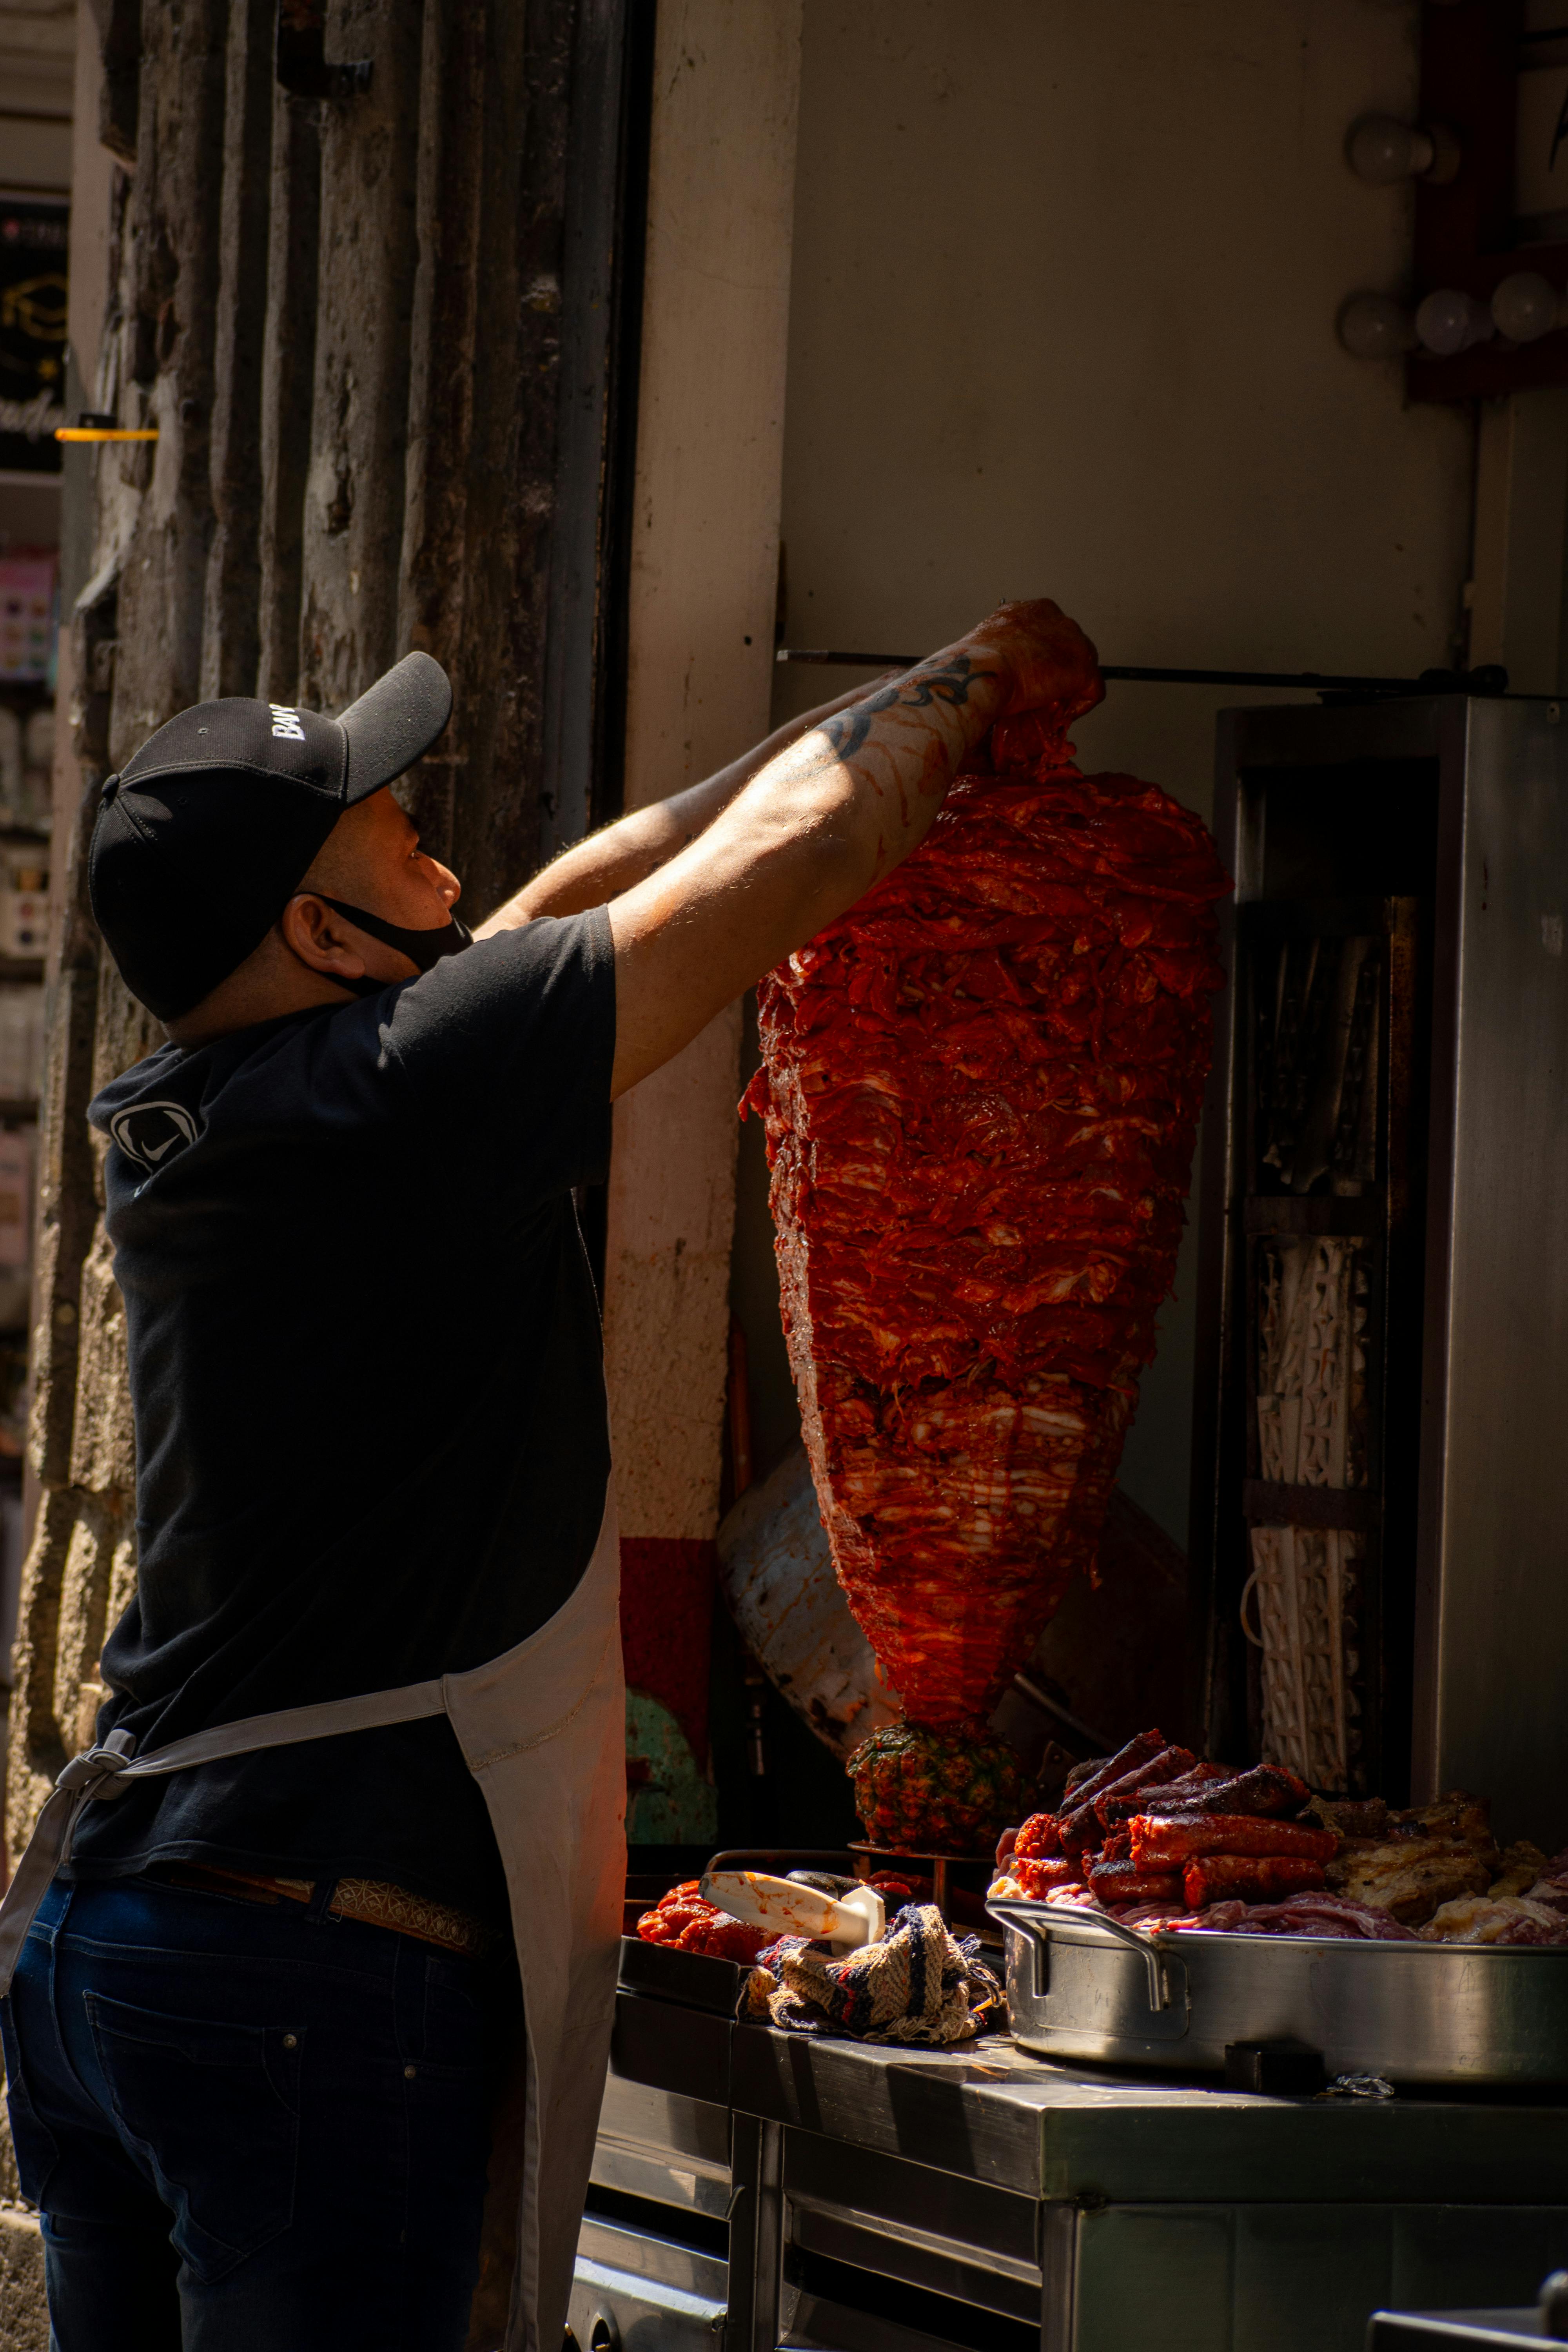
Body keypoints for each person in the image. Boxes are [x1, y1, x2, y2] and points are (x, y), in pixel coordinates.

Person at [0, 598, 1099, 2351]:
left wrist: (905, 695)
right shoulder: (403, 1092)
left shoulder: (232, 1104)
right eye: (390, 825)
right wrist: (971, 689)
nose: (435, 846)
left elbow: (607, 882)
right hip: (300, 1978)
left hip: (115, 1952)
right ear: (318, 931)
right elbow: (782, 869)